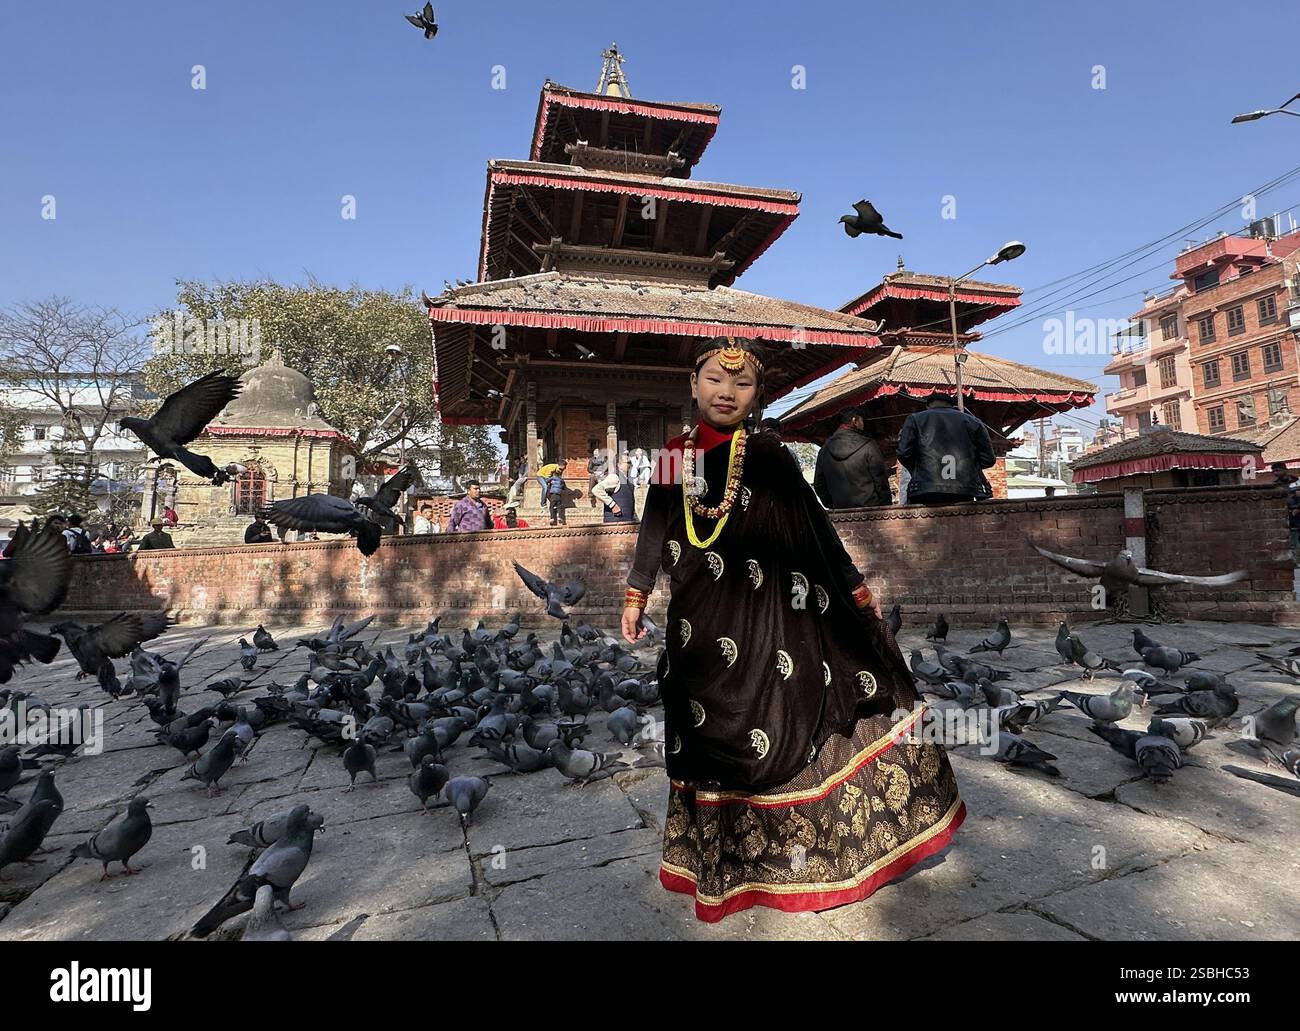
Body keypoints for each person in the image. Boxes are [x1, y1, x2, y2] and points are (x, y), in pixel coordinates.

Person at [619, 334, 964, 924]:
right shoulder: (673, 454)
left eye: (743, 383)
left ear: (758, 394)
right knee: (702, 731)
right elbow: (655, 527)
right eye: (715, 380)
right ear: (693, 385)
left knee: (772, 715)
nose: (727, 392)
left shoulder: (771, 454)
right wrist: (636, 593)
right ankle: (722, 864)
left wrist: (854, 589)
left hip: (765, 615)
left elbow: (815, 528)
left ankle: (793, 860)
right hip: (694, 621)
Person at [895, 389, 996, 505]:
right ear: (952, 405)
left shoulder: (915, 419)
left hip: (925, 488)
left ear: (928, 405)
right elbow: (988, 459)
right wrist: (968, 467)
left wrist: (919, 468)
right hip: (964, 489)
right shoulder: (973, 422)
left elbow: (903, 453)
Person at [813, 406, 893, 509]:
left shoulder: (824, 451)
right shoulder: (868, 445)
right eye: (862, 421)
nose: (863, 425)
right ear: (854, 420)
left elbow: (819, 485)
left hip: (840, 514)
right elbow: (881, 482)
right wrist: (885, 508)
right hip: (871, 512)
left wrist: (832, 505)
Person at [591, 452, 637, 523]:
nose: (631, 465)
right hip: (615, 522)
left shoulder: (628, 481)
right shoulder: (614, 477)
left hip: (626, 522)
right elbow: (596, 490)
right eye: (628, 462)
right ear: (619, 464)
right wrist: (613, 505)